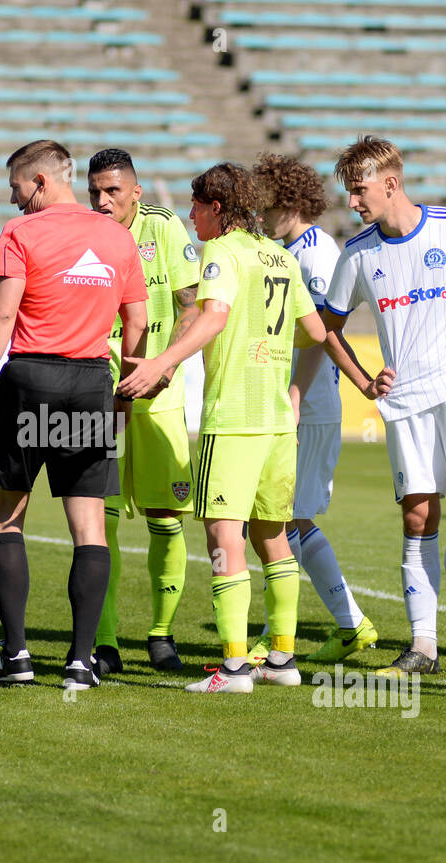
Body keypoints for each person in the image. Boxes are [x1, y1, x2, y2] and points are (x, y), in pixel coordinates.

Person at [119, 162, 327, 693]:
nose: (190, 216)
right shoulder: (279, 255)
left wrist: (163, 363)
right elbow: (315, 331)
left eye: (196, 205)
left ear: (217, 207)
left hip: (233, 420)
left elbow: (212, 315)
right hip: (279, 421)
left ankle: (234, 666)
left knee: (221, 535)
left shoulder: (222, 252)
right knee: (273, 536)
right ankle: (282, 660)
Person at [0, 139, 150, 690]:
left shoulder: (21, 232)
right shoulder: (118, 236)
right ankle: (80, 661)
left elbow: (3, 310)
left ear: (41, 182)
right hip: (91, 382)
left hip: (30, 381)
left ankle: (18, 656)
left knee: (7, 519)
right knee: (89, 528)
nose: (16, 198)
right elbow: (137, 322)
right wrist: (126, 388)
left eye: (17, 187)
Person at [321, 136, 446, 677]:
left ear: (391, 183)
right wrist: (362, 381)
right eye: (350, 192)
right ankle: (423, 646)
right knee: (419, 514)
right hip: (406, 403)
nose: (353, 202)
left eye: (359, 190)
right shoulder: (357, 254)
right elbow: (325, 326)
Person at [252, 152, 378, 663]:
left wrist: (297, 395)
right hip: (294, 402)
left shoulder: (316, 252)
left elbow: (324, 332)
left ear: (291, 202)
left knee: (280, 521)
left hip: (310, 404)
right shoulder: (291, 249)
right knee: (278, 519)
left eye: (267, 205)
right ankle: (336, 626)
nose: (260, 215)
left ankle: (338, 626)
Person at [85, 148, 201, 674]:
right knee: (97, 516)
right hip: (97, 390)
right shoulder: (82, 230)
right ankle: (103, 641)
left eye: (113, 191)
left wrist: (165, 366)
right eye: (95, 191)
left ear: (136, 191)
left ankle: (160, 633)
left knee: (165, 517)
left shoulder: (165, 229)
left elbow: (192, 304)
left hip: (159, 389)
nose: (102, 201)